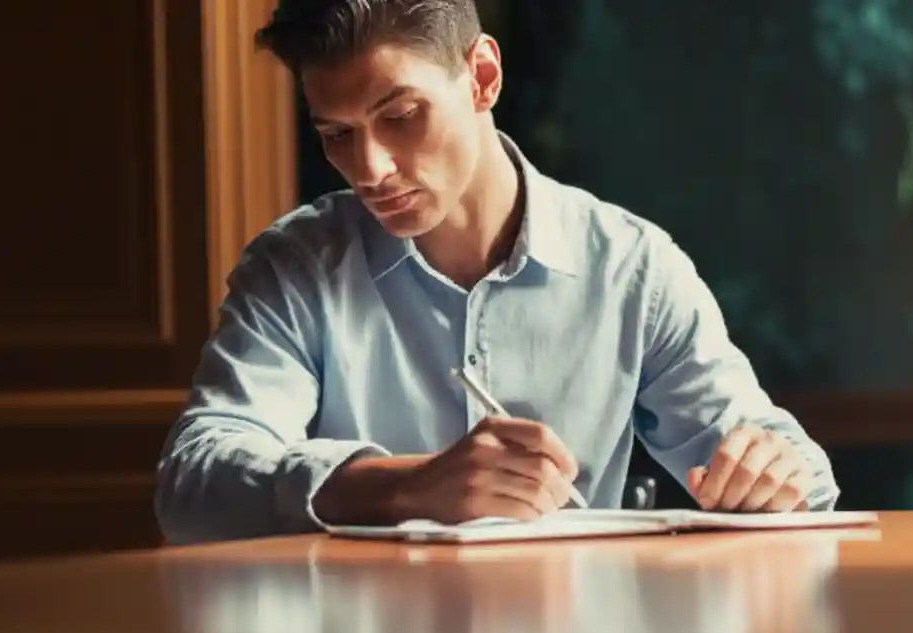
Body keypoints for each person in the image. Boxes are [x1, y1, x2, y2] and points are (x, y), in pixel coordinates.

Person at [155, 0, 839, 544]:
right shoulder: (295, 268)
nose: (369, 168)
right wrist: (404, 489)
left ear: (482, 77)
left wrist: (773, 473)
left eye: (400, 116)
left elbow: (790, 468)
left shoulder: (632, 269)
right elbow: (192, 486)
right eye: (336, 133)